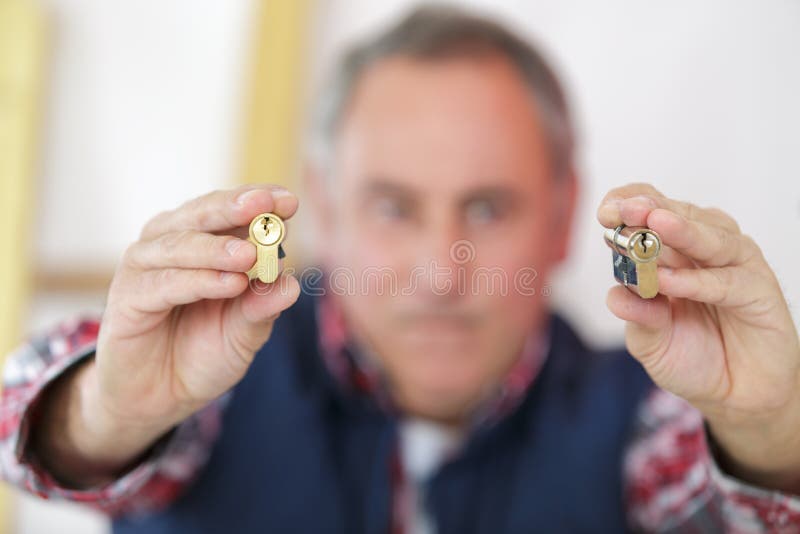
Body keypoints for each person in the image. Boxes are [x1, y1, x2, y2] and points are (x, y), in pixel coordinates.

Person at [2, 5, 799, 533]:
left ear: (563, 219)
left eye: (487, 209)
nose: (439, 276)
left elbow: (725, 498)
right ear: (326, 208)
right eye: (393, 206)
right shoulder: (209, 390)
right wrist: (106, 414)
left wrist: (770, 429)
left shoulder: (643, 417)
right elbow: (18, 423)